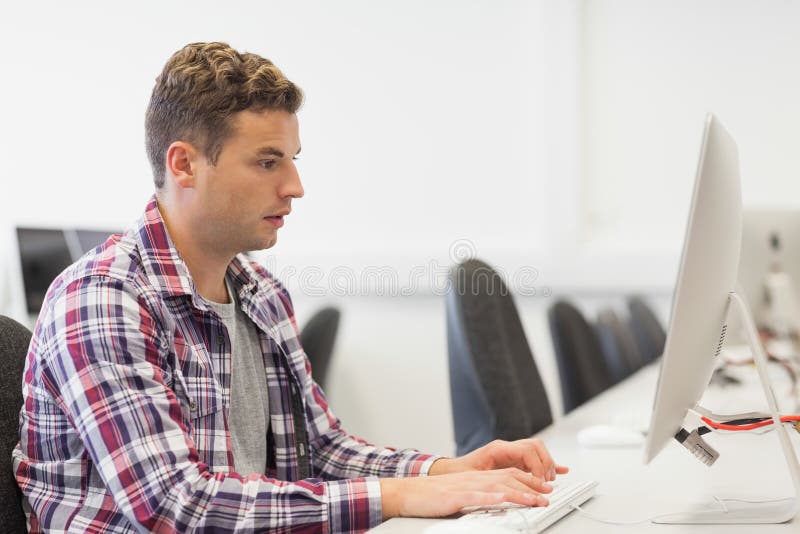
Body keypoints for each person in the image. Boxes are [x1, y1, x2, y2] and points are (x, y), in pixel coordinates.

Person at [13, 42, 567, 533]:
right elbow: (175, 505)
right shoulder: (102, 299)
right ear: (183, 165)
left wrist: (445, 472)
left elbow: (321, 449)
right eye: (267, 162)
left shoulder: (260, 292)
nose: (295, 186)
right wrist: (398, 497)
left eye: (292, 160)